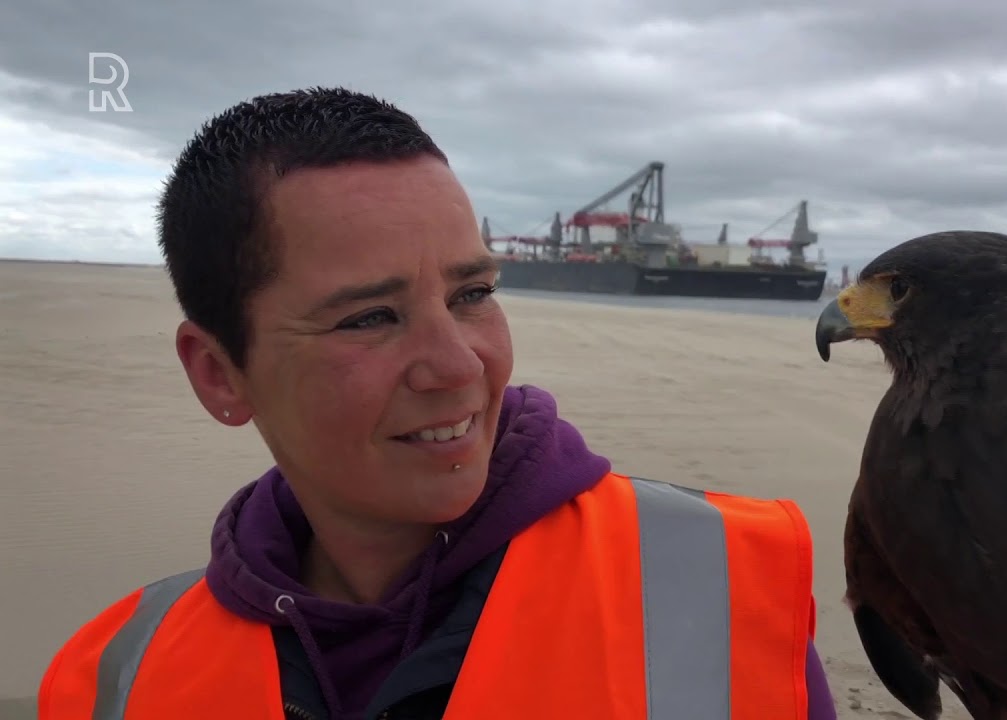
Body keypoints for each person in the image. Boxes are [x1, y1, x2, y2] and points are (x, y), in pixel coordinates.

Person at [37, 87, 838, 719]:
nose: (460, 367)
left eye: (473, 294)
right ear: (219, 373)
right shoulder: (114, 672)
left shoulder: (717, 584)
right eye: (370, 318)